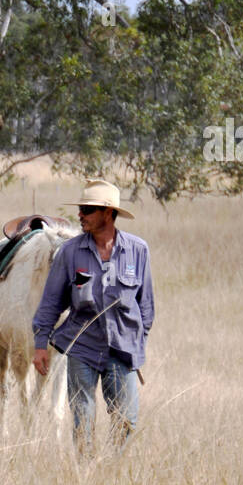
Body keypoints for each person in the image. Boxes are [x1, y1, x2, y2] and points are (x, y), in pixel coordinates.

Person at [32, 179, 154, 453]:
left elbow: (145, 306)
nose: (80, 216)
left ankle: (112, 476)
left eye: (88, 209)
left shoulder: (138, 250)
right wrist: (40, 344)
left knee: (126, 422)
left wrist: (137, 341)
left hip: (123, 350)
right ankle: (85, 479)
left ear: (108, 213)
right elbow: (51, 302)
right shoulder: (70, 252)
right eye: (81, 209)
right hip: (82, 347)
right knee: (82, 422)